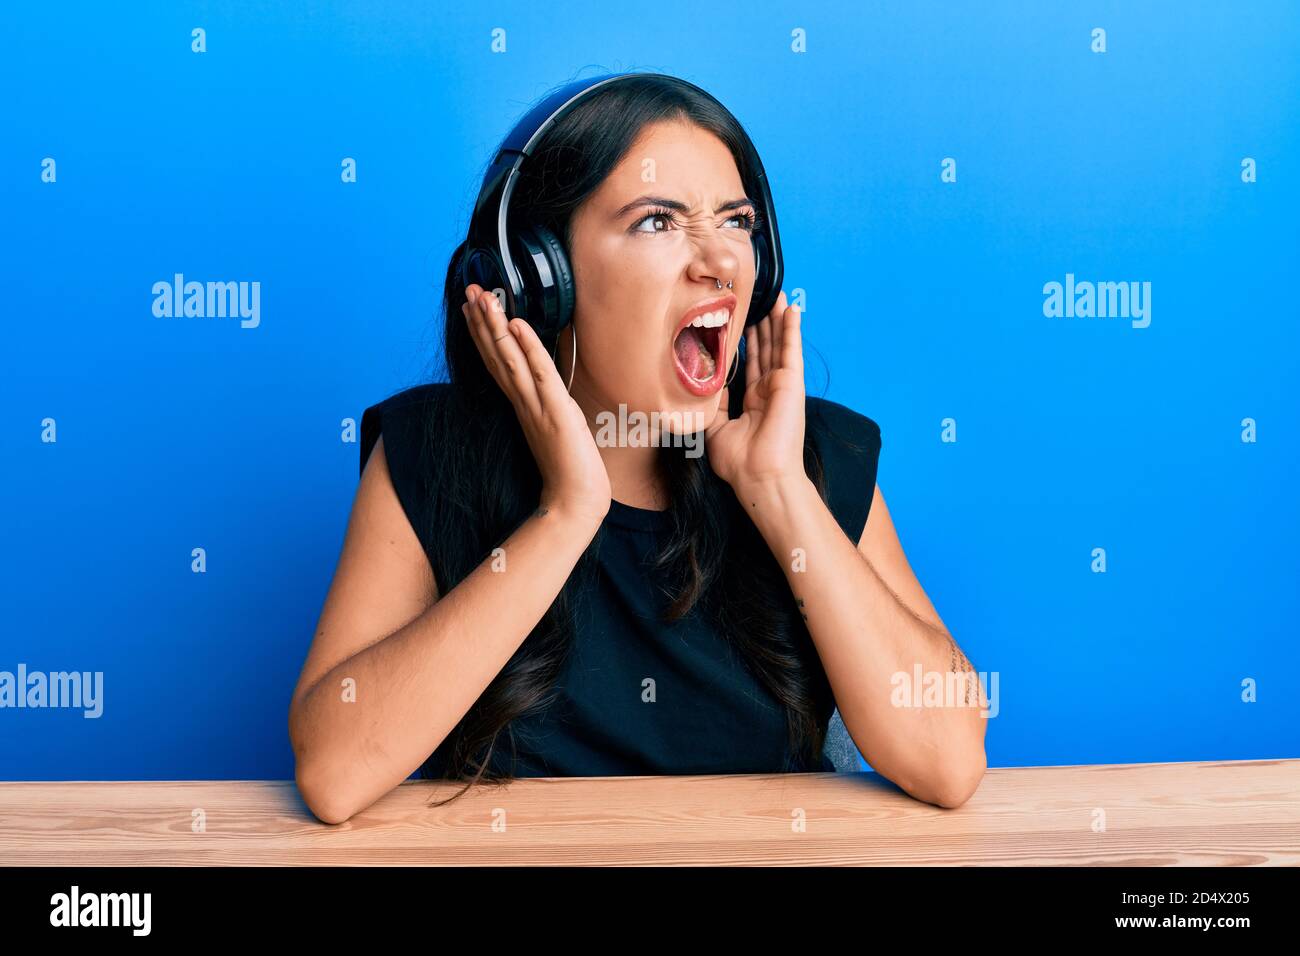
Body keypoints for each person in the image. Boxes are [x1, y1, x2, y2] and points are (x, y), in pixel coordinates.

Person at [289, 73, 986, 825]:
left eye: (736, 221)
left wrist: (779, 490)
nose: (718, 262)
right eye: (657, 222)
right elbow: (334, 773)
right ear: (538, 280)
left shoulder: (808, 454)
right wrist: (567, 512)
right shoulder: (435, 452)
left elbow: (948, 762)